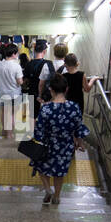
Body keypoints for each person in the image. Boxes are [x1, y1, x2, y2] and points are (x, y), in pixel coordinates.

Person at [31, 74, 89, 206]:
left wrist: (36, 142)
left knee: (40, 165)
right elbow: (78, 127)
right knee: (60, 171)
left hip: (47, 144)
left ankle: (47, 189)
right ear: (66, 89)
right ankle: (57, 196)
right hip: (66, 145)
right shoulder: (74, 107)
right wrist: (80, 144)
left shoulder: (46, 108)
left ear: (51, 89)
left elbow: (38, 130)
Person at [0, 42, 24, 139]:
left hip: (2, 92)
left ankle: (4, 131)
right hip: (14, 93)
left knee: (3, 112)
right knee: (11, 114)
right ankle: (9, 134)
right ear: (14, 54)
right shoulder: (16, 66)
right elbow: (20, 82)